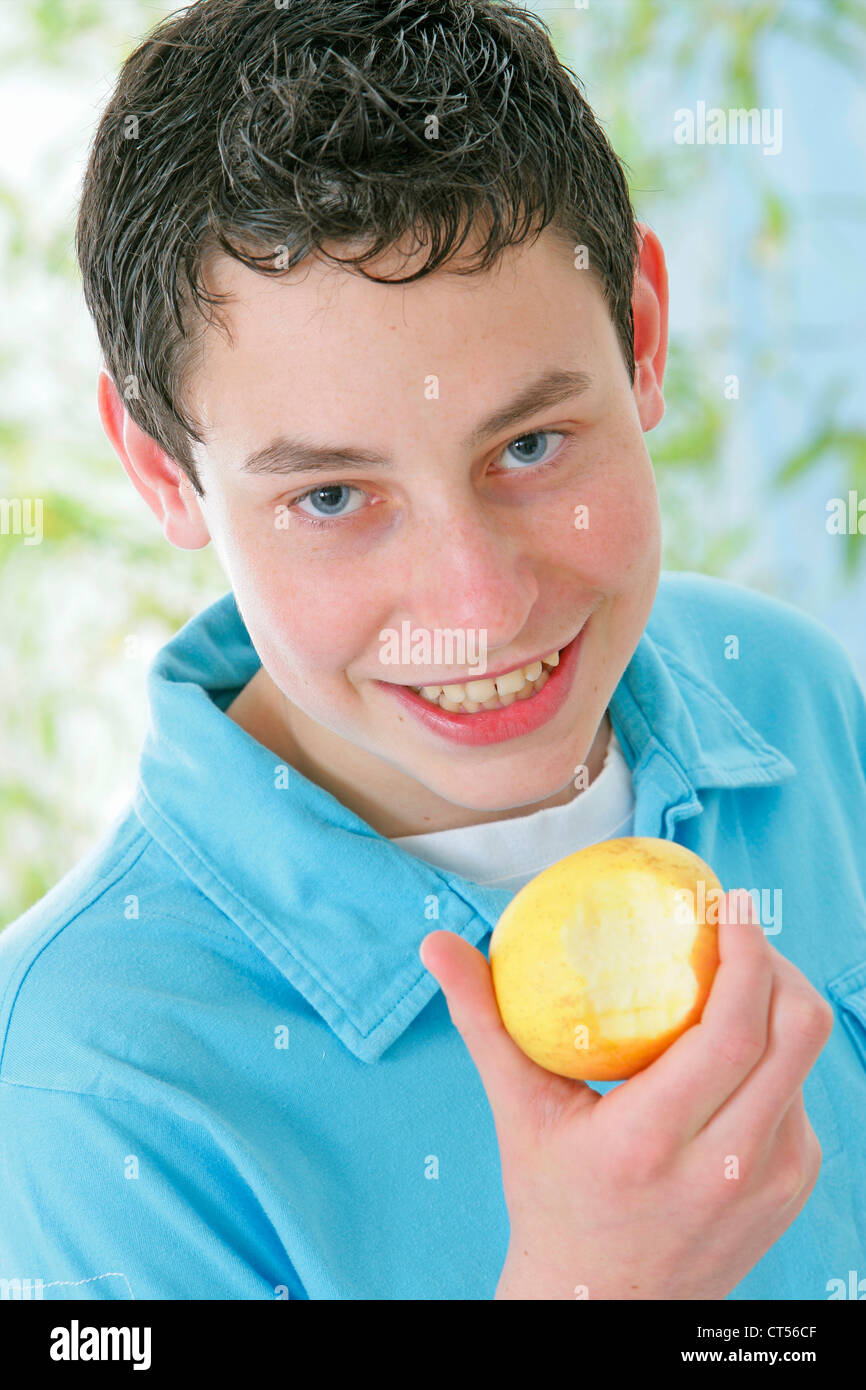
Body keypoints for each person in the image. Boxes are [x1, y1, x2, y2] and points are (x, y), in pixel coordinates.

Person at [0, 0, 863, 1301]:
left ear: (637, 335)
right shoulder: (83, 1077)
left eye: (528, 447)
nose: (478, 603)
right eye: (332, 498)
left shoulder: (788, 692)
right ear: (159, 471)